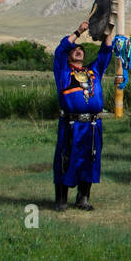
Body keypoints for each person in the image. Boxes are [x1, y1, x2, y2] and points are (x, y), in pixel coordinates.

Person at [52, 19, 116, 212]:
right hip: (71, 124)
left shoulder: (93, 71)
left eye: (81, 49)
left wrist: (106, 30)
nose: (79, 51)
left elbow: (105, 52)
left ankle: (83, 199)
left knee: (90, 159)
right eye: (75, 49)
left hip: (92, 126)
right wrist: (79, 31)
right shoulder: (63, 71)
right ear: (70, 55)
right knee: (66, 158)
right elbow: (60, 50)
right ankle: (61, 200)